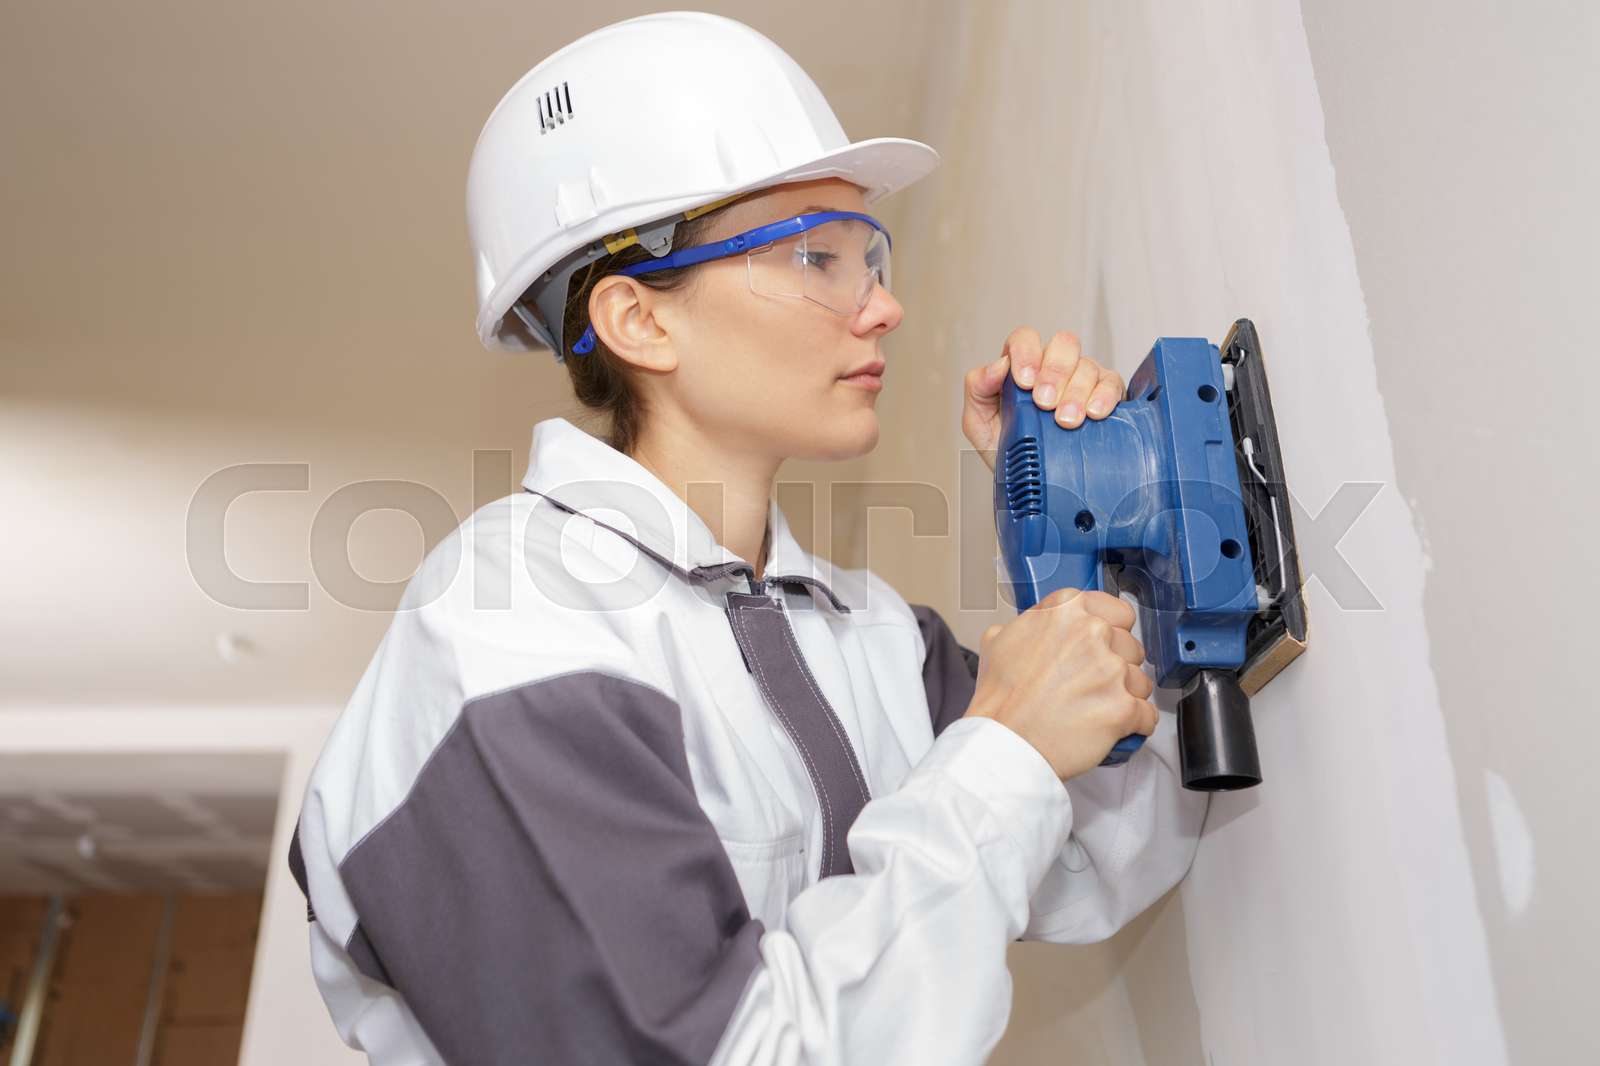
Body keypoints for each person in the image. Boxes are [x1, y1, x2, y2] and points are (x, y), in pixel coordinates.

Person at [287, 12, 1209, 1065]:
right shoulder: (504, 628)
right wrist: (998, 751)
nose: (884, 307)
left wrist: (1087, 538)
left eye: (871, 256)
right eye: (817, 256)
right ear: (640, 321)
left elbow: (1119, 843)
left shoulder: (870, 639)